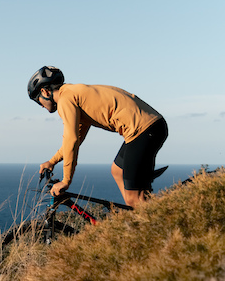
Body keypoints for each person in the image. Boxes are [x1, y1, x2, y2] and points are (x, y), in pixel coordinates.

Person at [27, 66, 169, 207]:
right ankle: (138, 213)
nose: (41, 106)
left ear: (44, 92)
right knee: (117, 171)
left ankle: (159, 221)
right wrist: (52, 161)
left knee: (134, 198)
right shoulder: (73, 94)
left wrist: (66, 181)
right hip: (148, 128)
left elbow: (72, 140)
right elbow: (76, 138)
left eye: (37, 100)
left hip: (144, 130)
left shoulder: (65, 99)